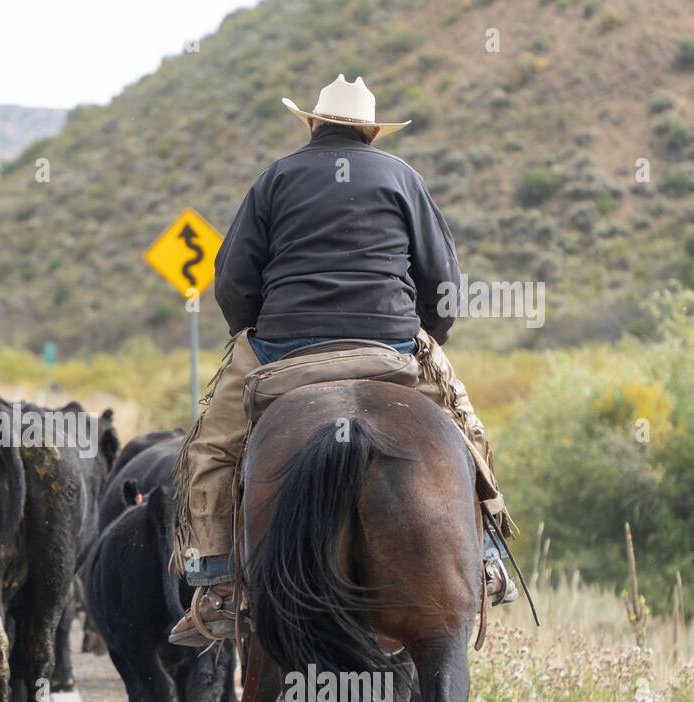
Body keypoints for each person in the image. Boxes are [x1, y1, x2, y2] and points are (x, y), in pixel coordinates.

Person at [168, 74, 516, 649]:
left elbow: (231, 279)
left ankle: (217, 584)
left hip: (283, 346)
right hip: (391, 344)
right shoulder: (404, 178)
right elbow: (442, 279)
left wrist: (252, 330)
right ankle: (485, 558)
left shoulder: (275, 177)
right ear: (373, 133)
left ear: (311, 123)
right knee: (462, 427)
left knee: (212, 446)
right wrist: (429, 334)